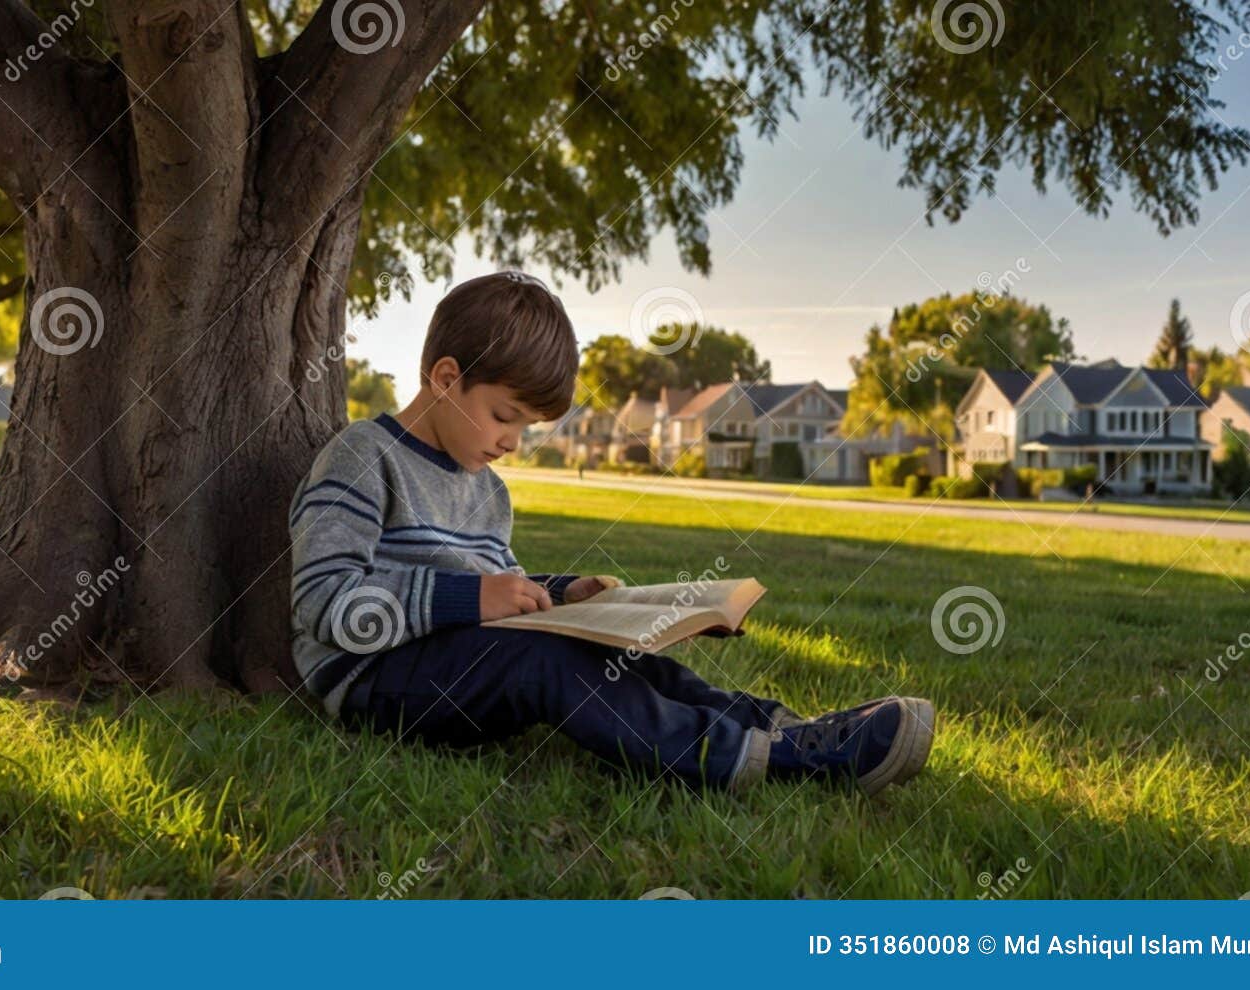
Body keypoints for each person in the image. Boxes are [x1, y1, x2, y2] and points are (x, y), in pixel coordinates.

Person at [287, 271, 936, 795]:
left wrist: (564, 594)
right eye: (503, 416)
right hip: (376, 680)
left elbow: (501, 593)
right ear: (446, 378)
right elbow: (324, 603)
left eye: (526, 427)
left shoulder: (488, 489)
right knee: (545, 662)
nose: (512, 442)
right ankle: (744, 759)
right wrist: (474, 602)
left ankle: (779, 725)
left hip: (471, 657)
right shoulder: (361, 457)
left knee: (620, 656)